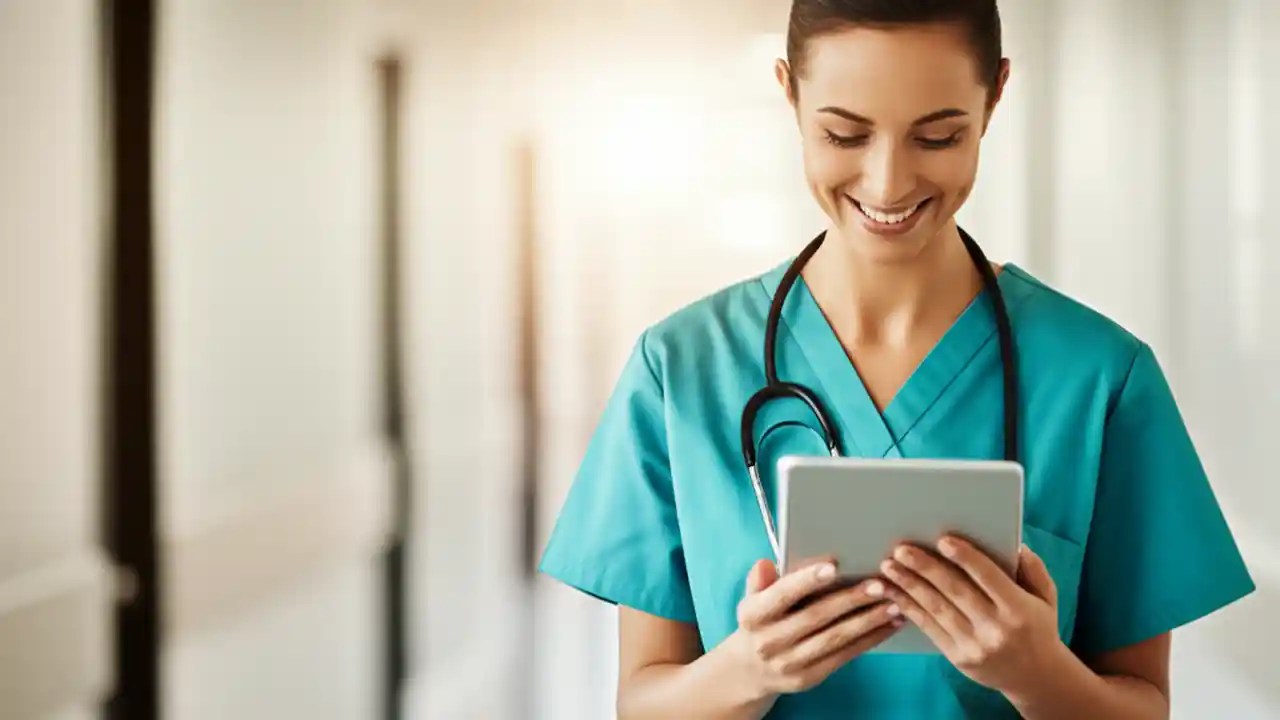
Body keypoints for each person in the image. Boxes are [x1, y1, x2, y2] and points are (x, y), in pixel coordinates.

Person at [537, 1, 1255, 717]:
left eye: (938, 136)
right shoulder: (682, 371)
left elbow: (1144, 705)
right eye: (844, 133)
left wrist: (1036, 674)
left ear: (996, 93)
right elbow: (643, 704)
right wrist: (748, 669)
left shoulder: (1100, 378)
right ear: (788, 91)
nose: (888, 183)